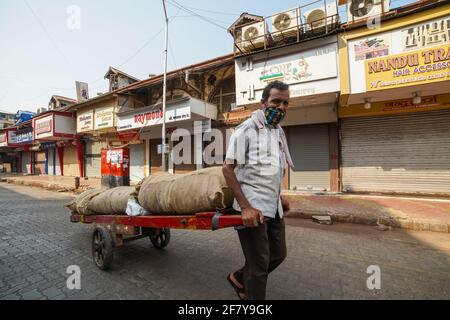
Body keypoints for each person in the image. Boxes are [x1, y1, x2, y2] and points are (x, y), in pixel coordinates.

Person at [222, 80, 294, 300]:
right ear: (264, 103)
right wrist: (245, 208)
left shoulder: (277, 133)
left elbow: (270, 171)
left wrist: (278, 196)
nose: (281, 107)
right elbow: (227, 169)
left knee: (278, 254)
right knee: (259, 266)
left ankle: (239, 277)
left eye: (285, 103)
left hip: (273, 206)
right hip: (253, 207)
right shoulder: (246, 129)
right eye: (275, 101)